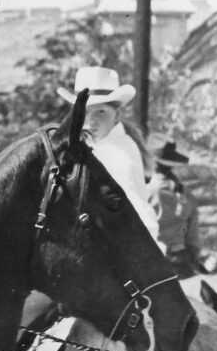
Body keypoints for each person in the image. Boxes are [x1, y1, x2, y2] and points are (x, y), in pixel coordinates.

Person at [57, 66, 159, 241]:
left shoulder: (118, 152)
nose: (90, 121)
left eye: (101, 112)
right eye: (85, 112)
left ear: (117, 114)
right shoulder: (90, 145)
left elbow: (140, 213)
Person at [147, 140, 201, 276]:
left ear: (154, 166)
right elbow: (193, 234)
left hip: (153, 259)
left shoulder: (145, 192)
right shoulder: (186, 194)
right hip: (180, 258)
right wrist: (193, 256)